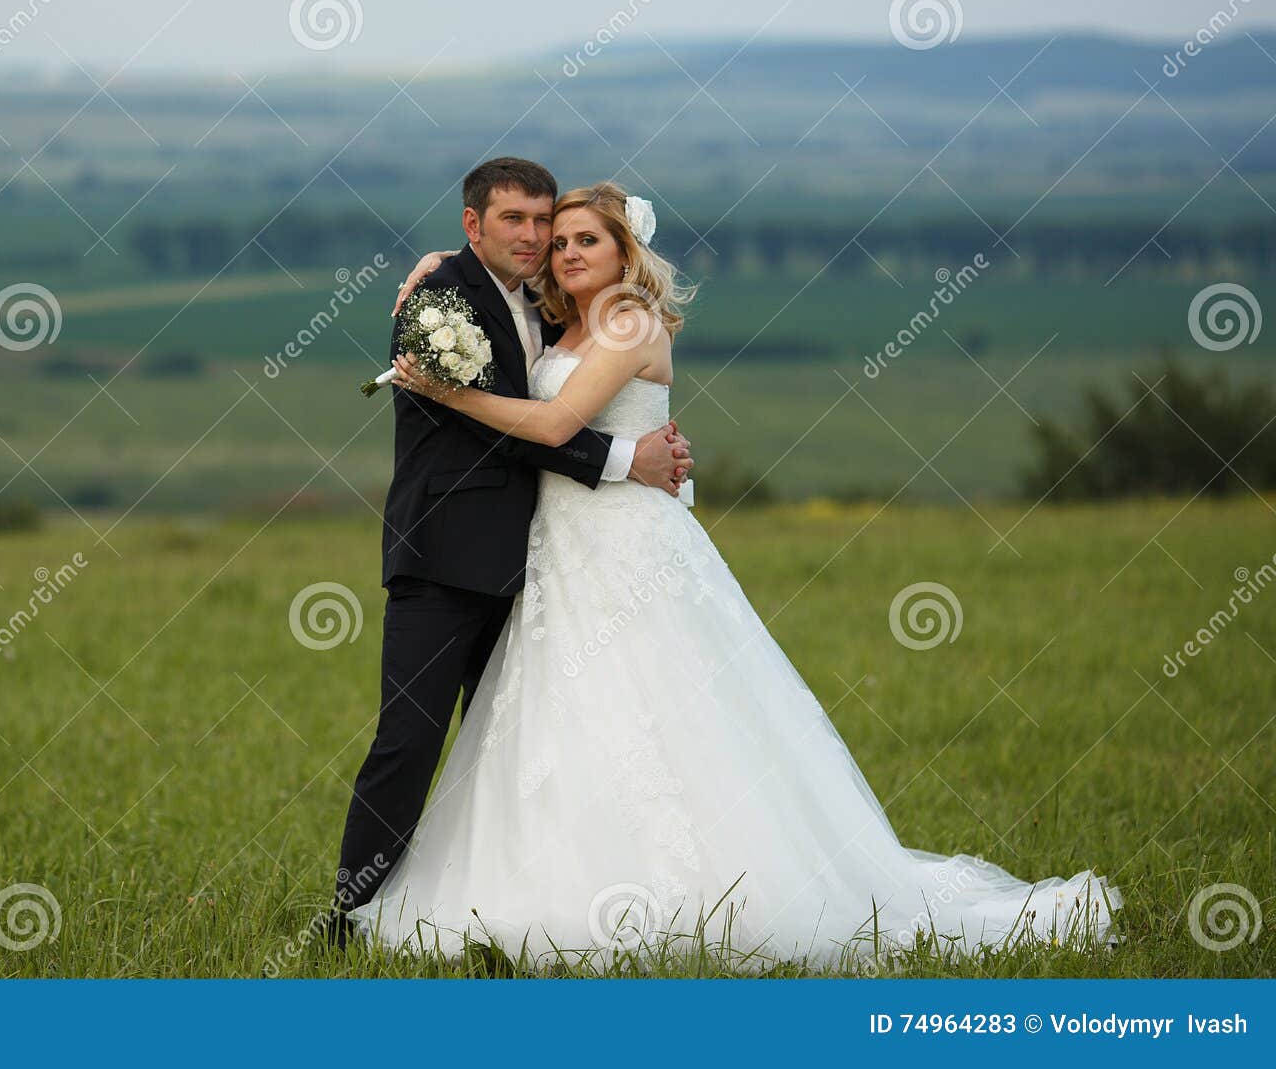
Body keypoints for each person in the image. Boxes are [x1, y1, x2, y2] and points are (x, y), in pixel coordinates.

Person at [345, 180, 1122, 971]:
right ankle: (526, 882)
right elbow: (511, 333)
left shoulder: (626, 318)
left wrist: (448, 390)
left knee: (651, 712)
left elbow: (548, 423)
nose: (566, 249)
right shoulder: (560, 319)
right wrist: (442, 260)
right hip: (555, 551)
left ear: (626, 251)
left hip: (626, 552)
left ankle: (689, 896)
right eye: (559, 237)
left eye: (587, 239)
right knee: (552, 717)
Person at [326, 159, 695, 945]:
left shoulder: (554, 308)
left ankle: (518, 903)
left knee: (520, 741)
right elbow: (505, 428)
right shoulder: (435, 304)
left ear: (620, 248)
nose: (539, 242)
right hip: (444, 555)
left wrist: (631, 452)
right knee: (410, 739)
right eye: (519, 223)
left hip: (542, 561)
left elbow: (549, 416)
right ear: (472, 225)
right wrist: (628, 458)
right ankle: (350, 915)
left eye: (551, 227)